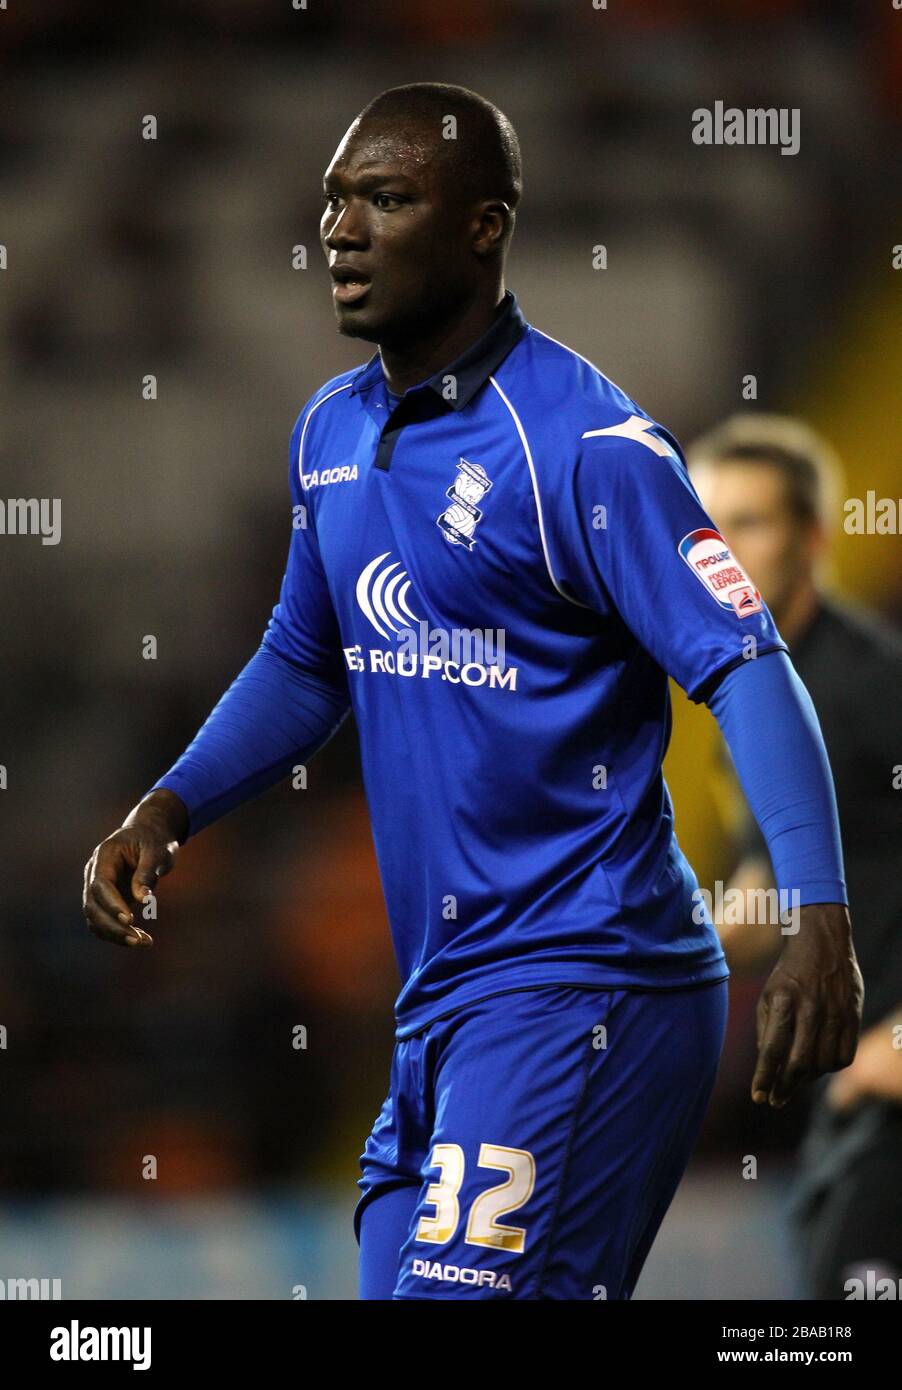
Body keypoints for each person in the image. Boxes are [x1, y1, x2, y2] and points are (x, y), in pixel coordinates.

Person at [83, 84, 862, 1301]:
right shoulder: (329, 433)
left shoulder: (583, 449)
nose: (340, 232)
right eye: (335, 200)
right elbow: (303, 657)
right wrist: (165, 809)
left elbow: (745, 663)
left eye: (385, 201)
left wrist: (817, 913)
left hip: (586, 983)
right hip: (437, 1005)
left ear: (484, 225)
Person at [689, 414, 902, 1299]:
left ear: (814, 538)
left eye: (751, 523)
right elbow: (764, 896)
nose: (721, 553)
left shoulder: (870, 687)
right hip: (846, 1093)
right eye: (703, 529)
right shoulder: (753, 688)